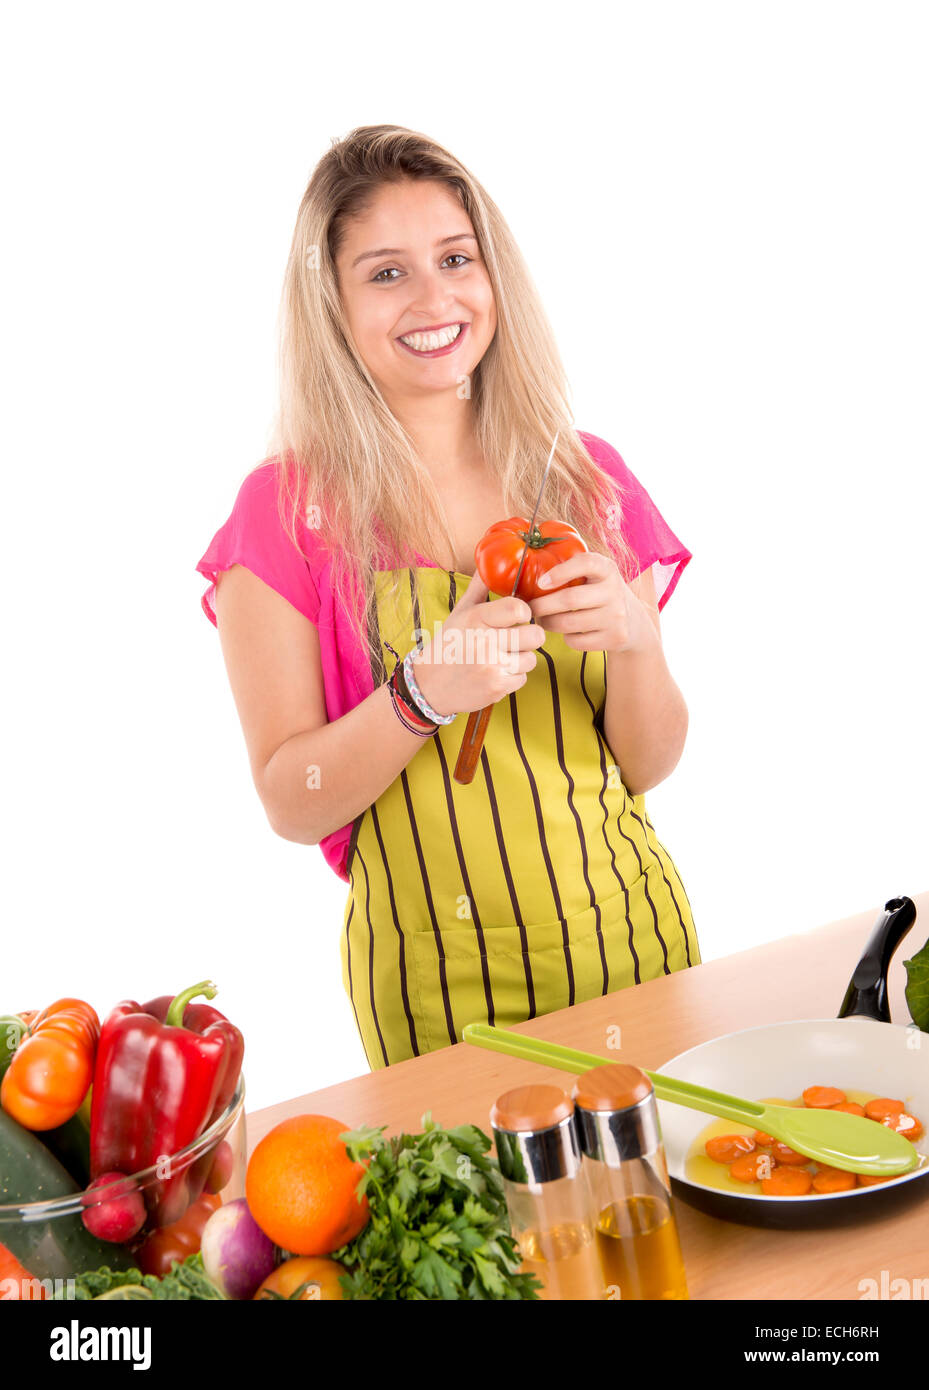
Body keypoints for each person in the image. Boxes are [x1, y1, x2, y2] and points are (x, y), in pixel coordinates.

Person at [196, 124, 700, 1070]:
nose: (434, 299)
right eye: (386, 273)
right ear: (332, 305)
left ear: (492, 274)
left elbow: (648, 760)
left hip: (634, 943)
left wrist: (634, 640)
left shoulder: (587, 482)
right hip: (438, 995)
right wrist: (423, 695)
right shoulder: (285, 511)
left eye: (455, 259)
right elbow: (291, 800)